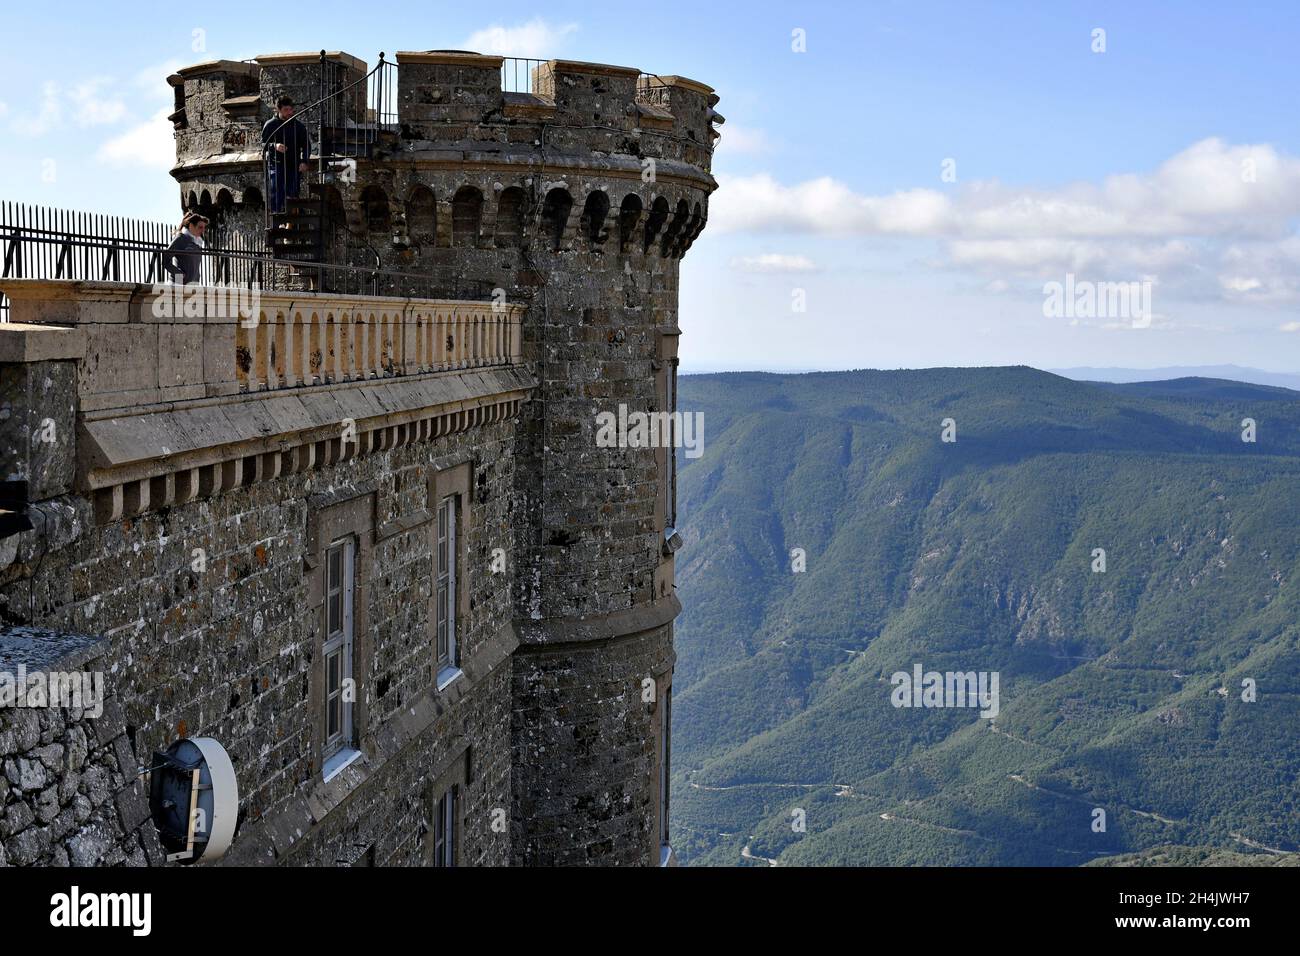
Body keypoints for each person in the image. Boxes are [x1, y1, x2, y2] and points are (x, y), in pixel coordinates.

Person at [263, 95, 312, 214]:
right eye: (286, 110)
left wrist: (304, 161)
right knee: (277, 191)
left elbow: (306, 145)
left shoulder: (298, 126)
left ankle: (291, 222)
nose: (290, 112)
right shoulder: (270, 125)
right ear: (278, 110)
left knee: (293, 192)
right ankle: (277, 219)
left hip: (293, 163)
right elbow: (263, 145)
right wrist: (275, 146)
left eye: (291, 109)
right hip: (276, 164)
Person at [163, 212, 209, 285]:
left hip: (193, 285)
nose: (203, 230)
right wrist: (179, 273)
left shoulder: (198, 242)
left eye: (204, 227)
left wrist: (197, 277)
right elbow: (165, 260)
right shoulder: (180, 238)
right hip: (177, 284)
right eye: (200, 227)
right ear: (191, 226)